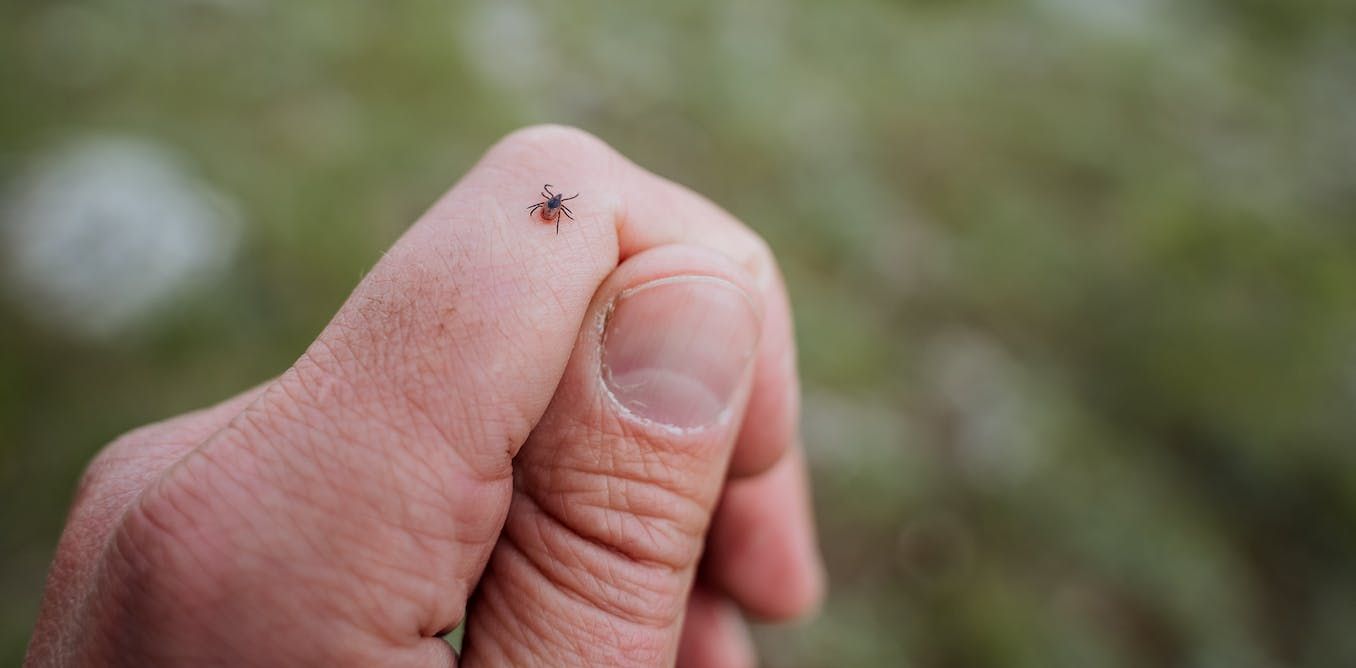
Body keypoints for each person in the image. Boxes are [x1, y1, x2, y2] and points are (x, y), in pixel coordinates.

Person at [26, 126, 824, 667]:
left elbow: (552, 205)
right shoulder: (552, 207)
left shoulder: (552, 207)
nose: (552, 209)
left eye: (553, 206)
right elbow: (552, 205)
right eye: (550, 206)